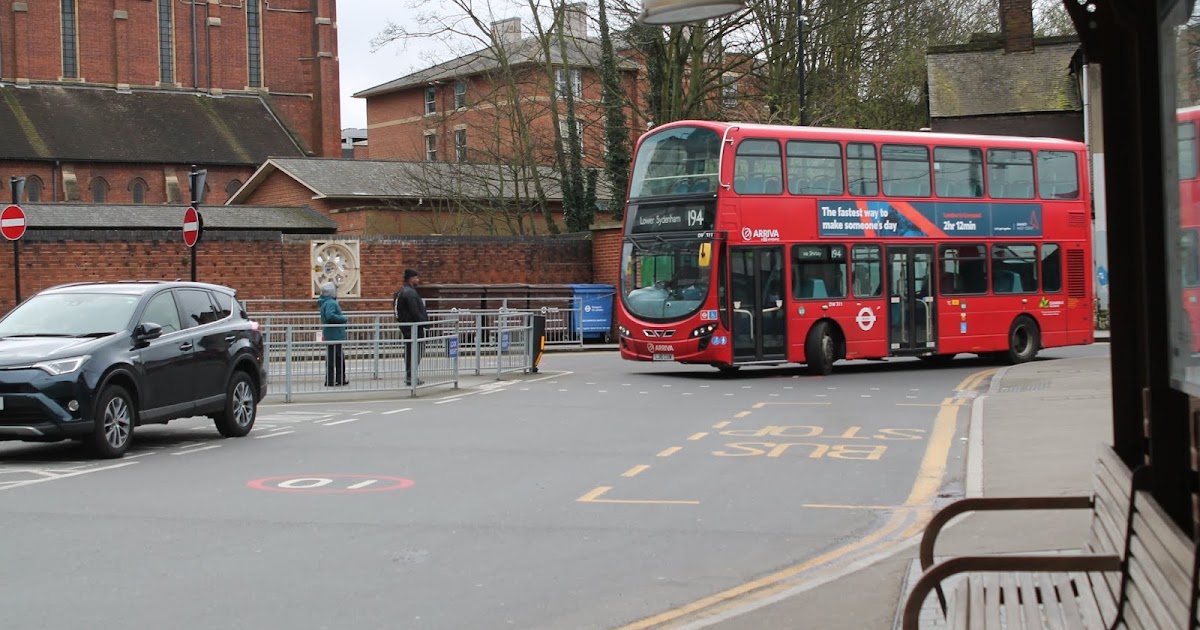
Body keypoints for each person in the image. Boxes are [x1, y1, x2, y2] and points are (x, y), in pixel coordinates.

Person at [393, 268, 429, 386]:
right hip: (413, 327)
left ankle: (410, 375)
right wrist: (424, 323)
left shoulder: (400, 292)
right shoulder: (410, 293)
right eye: (416, 278)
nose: (418, 280)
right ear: (411, 278)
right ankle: (411, 375)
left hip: (406, 326)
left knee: (410, 351)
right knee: (416, 351)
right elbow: (415, 311)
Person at [318, 282, 348, 386]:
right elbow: (330, 316)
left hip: (330, 333)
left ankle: (331, 379)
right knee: (338, 357)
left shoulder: (325, 302)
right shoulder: (331, 302)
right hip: (335, 334)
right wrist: (343, 318)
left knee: (332, 357)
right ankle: (339, 379)